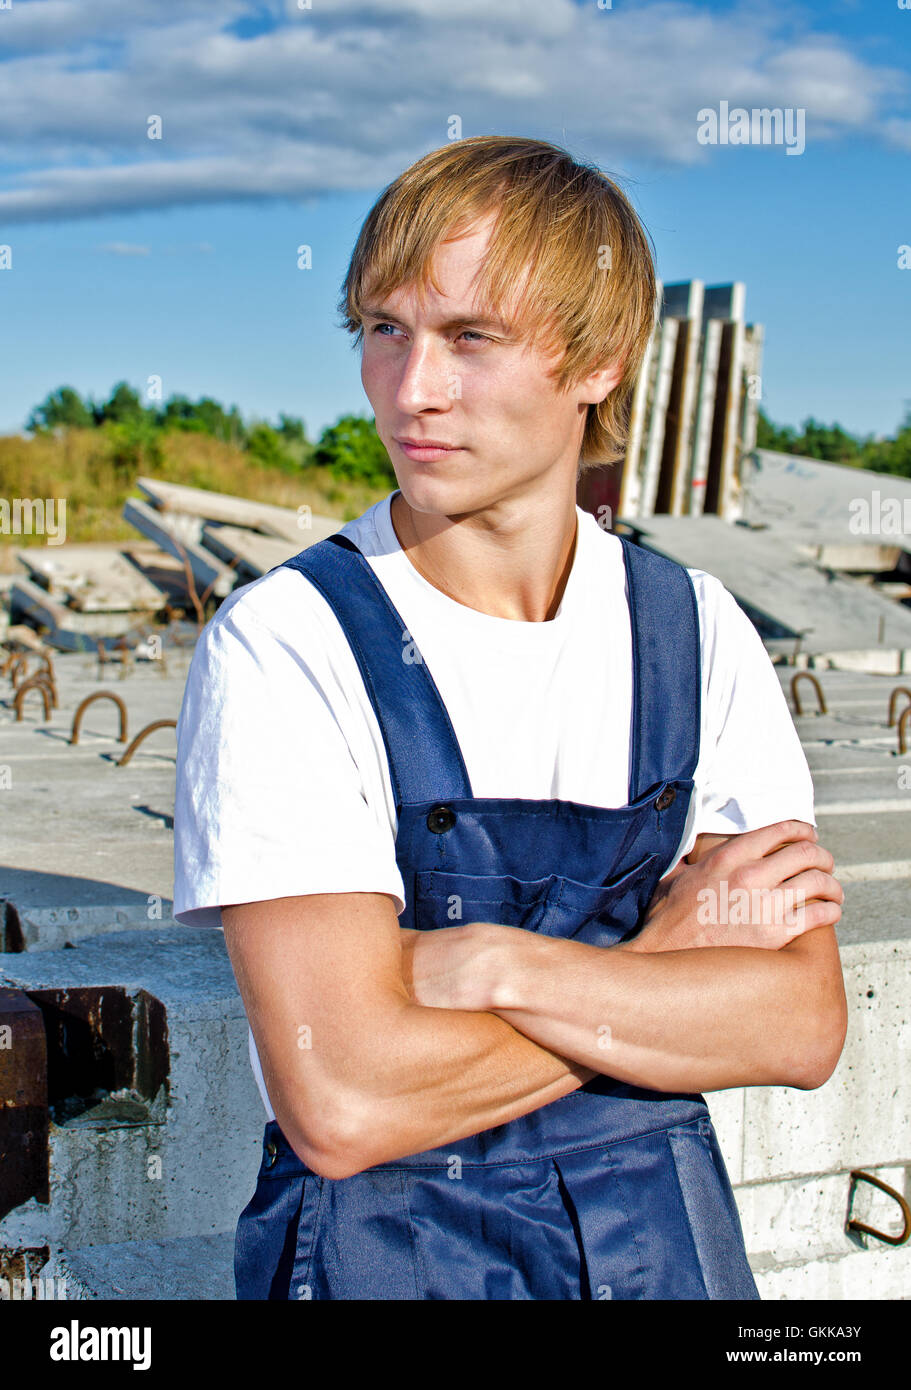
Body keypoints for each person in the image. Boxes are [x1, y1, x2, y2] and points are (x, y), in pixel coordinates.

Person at [173, 136, 847, 1301]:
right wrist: (649, 968)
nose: (410, 387)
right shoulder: (288, 640)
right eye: (384, 329)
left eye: (468, 337)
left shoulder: (695, 633)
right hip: (386, 1256)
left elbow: (793, 1022)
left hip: (667, 1258)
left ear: (597, 362)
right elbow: (345, 1102)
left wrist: (480, 960)